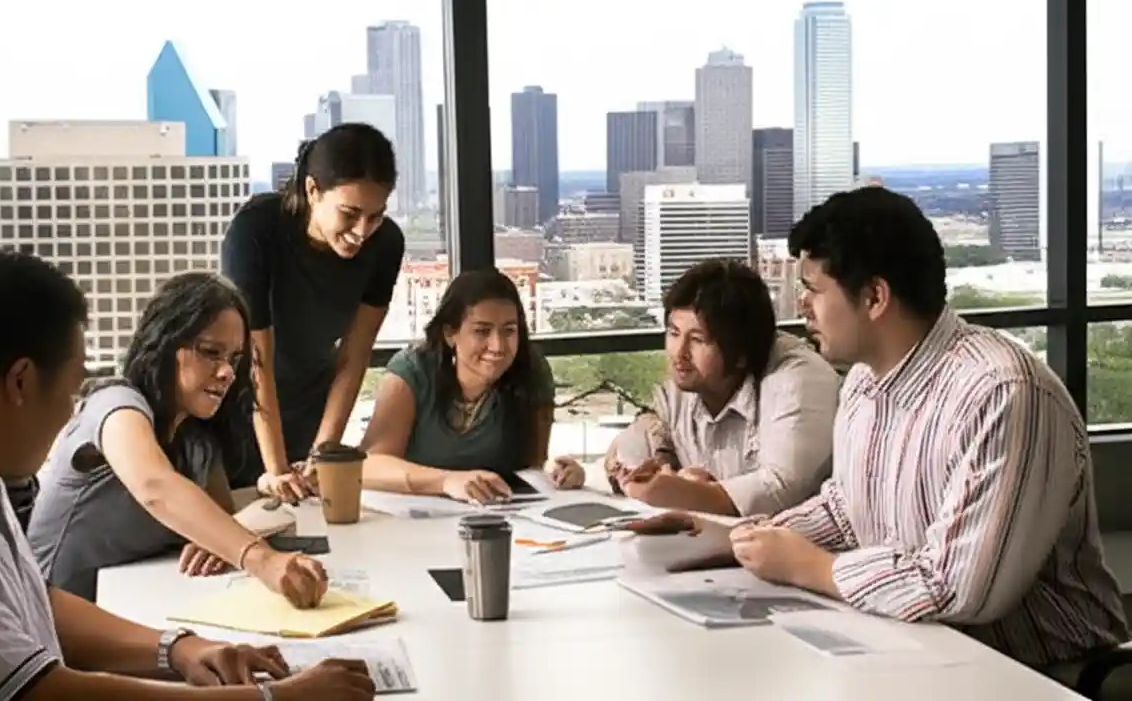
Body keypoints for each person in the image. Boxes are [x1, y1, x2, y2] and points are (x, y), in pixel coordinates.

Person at [630, 187, 1129, 670]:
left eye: (813, 290)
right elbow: (849, 510)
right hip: (915, 647)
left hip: (1041, 668)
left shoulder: (1002, 392)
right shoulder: (867, 383)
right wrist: (735, 539)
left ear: (874, 296)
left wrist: (813, 568)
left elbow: (957, 587)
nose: (802, 306)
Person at [0, 250, 374, 699]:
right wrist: (271, 698)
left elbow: (31, 602)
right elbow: (47, 694)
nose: (67, 416)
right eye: (71, 389)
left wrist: (183, 650)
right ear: (20, 382)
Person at [27, 272, 327, 606]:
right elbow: (155, 485)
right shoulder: (114, 404)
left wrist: (219, 541)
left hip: (134, 607)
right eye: (211, 352)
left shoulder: (197, 441)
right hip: (50, 619)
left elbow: (224, 520)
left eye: (234, 359)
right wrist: (262, 559)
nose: (227, 371)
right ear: (166, 344)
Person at [222, 123, 404, 502]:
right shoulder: (258, 229)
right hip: (236, 406)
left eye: (376, 215)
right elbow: (257, 361)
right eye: (350, 213)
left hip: (309, 403)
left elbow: (354, 356)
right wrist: (275, 469)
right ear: (312, 190)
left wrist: (324, 451)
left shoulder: (386, 244)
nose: (362, 231)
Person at [603, 260, 838, 516]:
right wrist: (621, 467)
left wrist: (684, 493)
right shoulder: (685, 383)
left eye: (697, 340)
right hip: (713, 543)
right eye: (673, 333)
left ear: (740, 354)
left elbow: (780, 489)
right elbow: (640, 438)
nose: (678, 353)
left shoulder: (798, 378)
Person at [359, 268, 584, 503]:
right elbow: (370, 464)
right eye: (482, 331)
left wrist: (559, 474)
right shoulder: (412, 371)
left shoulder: (532, 371)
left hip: (495, 517)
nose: (497, 346)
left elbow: (532, 468)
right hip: (410, 519)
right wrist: (448, 481)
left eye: (509, 331)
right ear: (449, 333)